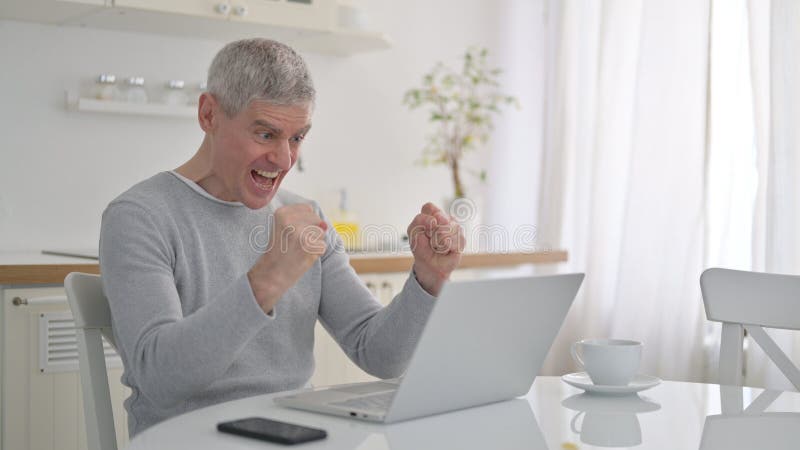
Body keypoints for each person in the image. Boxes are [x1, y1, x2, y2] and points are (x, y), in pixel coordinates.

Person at [99, 38, 465, 436]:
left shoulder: (306, 219)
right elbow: (160, 378)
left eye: (297, 137)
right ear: (209, 114)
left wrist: (428, 280)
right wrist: (266, 281)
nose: (285, 159)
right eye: (266, 134)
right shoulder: (140, 217)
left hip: (294, 436)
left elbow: (379, 355)